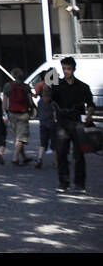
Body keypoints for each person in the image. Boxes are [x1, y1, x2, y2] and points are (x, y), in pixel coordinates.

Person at [50, 56, 97, 192]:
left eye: (68, 68)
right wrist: (47, 85)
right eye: (64, 68)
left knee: (79, 155)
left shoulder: (83, 87)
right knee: (62, 154)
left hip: (77, 123)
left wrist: (89, 115)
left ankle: (80, 184)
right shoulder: (57, 86)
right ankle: (63, 183)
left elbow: (91, 104)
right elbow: (48, 99)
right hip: (62, 123)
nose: (66, 71)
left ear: (74, 69)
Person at [2, 68, 33, 165]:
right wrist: (31, 109)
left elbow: (4, 101)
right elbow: (30, 101)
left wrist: (4, 113)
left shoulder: (8, 86)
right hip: (23, 113)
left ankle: (24, 157)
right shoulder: (26, 87)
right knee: (21, 138)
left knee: (17, 136)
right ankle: (15, 158)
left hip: (11, 113)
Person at [33, 76, 54, 169]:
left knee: (43, 144)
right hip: (52, 124)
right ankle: (56, 162)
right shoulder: (53, 103)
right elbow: (55, 114)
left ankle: (40, 158)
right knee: (54, 144)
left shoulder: (40, 102)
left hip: (43, 123)